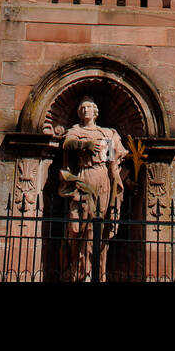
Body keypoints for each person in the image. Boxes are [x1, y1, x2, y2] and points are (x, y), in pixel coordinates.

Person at [59, 98, 127, 280]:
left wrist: (117, 183)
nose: (85, 110)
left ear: (96, 111)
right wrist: (86, 144)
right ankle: (80, 272)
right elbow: (67, 143)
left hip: (103, 177)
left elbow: (112, 161)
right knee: (80, 226)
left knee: (100, 225)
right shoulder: (76, 131)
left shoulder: (106, 132)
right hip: (84, 176)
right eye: (82, 107)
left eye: (89, 107)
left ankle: (96, 272)